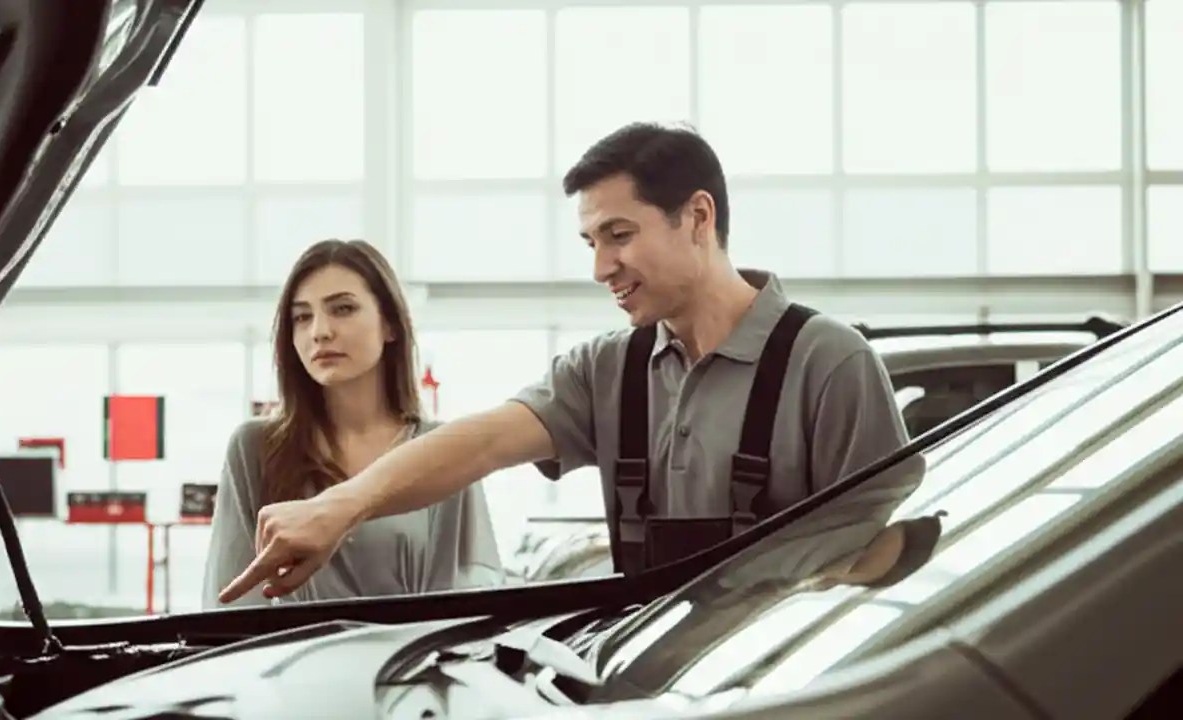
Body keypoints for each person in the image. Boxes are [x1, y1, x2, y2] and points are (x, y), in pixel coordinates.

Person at [216, 123, 923, 605]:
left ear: (698, 218)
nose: (600, 267)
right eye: (590, 240)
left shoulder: (829, 363)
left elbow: (889, 557)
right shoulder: (606, 369)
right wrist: (338, 507)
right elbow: (484, 440)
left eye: (619, 235)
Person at [201, 239, 503, 608]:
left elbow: (469, 595)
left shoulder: (443, 447)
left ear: (390, 324)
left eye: (342, 309)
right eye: (302, 316)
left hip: (413, 661)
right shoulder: (256, 448)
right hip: (288, 662)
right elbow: (229, 607)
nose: (320, 331)